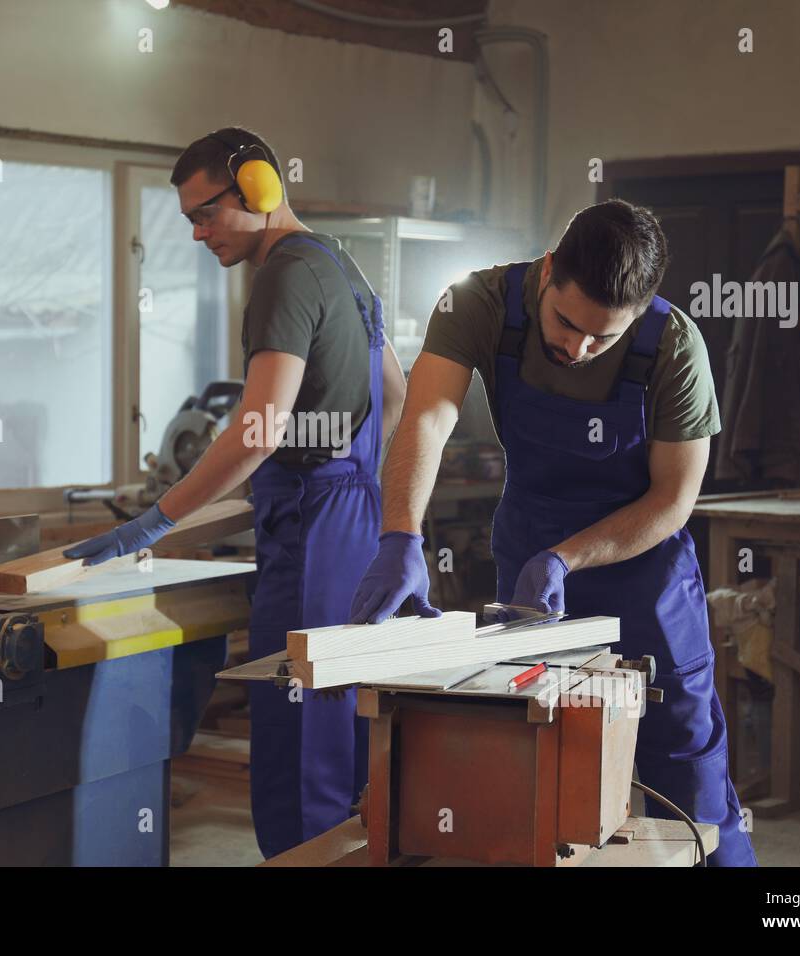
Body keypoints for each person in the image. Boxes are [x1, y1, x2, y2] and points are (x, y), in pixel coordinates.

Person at [349, 199, 757, 866]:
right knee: (539, 768)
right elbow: (425, 418)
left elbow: (673, 500)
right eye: (567, 324)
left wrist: (568, 558)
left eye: (604, 338)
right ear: (546, 273)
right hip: (530, 564)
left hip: (643, 570)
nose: (578, 348)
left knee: (690, 775)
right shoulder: (476, 302)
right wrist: (401, 538)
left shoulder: (675, 346)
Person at [63, 127, 406, 859]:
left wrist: (152, 524)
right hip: (358, 525)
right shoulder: (341, 264)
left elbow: (254, 431)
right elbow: (396, 392)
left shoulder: (282, 275)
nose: (195, 233)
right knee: (348, 743)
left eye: (205, 213)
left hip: (316, 536)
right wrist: (339, 471)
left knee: (297, 747)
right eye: (188, 218)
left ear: (259, 189)